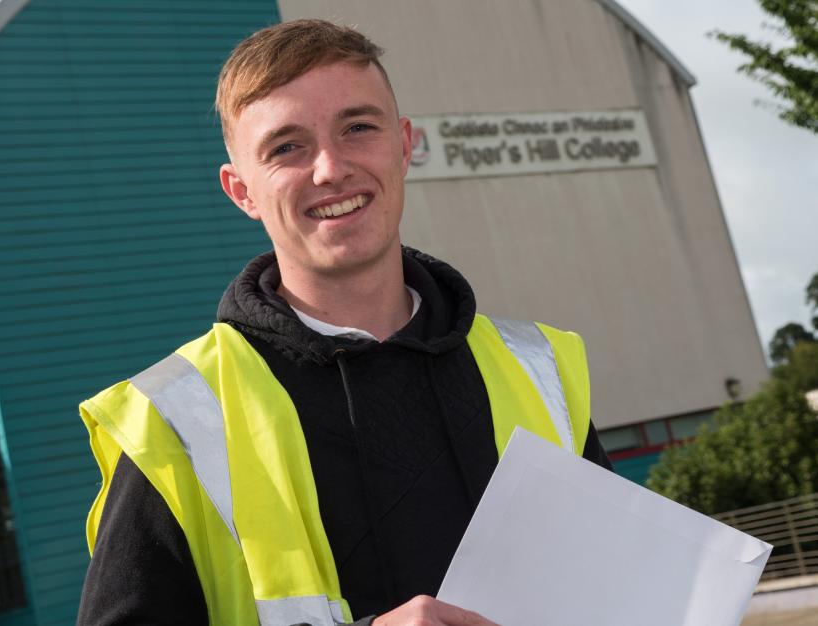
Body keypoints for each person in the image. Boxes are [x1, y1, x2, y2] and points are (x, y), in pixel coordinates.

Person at [77, 19, 612, 626]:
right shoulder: (175, 419)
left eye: (358, 127)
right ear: (241, 192)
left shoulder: (538, 368)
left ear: (405, 146)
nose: (330, 169)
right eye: (286, 147)